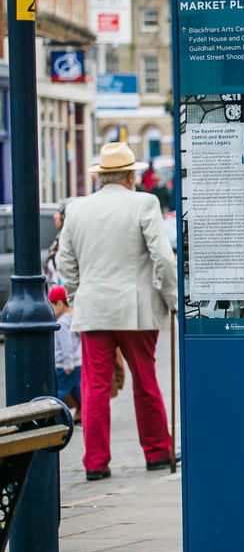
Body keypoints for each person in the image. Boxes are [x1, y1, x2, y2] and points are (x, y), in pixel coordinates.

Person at [57, 141, 178, 482]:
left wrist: (78, 296)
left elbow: (65, 261)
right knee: (145, 380)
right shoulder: (144, 202)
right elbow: (162, 258)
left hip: (94, 308)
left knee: (94, 387)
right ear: (129, 177)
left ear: (101, 179)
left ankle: (96, 462)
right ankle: (157, 453)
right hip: (136, 310)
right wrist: (171, 299)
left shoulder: (78, 208)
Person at [49, 285, 82, 424]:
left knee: (58, 393)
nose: (51, 311)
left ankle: (50, 417)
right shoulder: (75, 316)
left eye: (52, 306)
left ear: (60, 303)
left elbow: (66, 345)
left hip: (65, 365)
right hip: (78, 362)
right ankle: (84, 415)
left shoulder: (62, 322)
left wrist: (68, 364)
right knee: (78, 390)